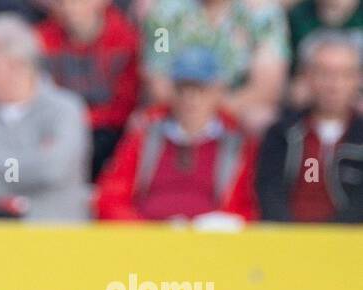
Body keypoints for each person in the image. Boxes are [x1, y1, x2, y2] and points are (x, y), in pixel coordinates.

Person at [0, 13, 91, 220]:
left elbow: (52, 169)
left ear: (15, 64)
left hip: (54, 241)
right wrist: (29, 173)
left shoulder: (65, 109)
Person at [96, 46, 258, 221]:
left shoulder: (236, 145)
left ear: (216, 92)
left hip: (210, 242)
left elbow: (246, 205)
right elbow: (111, 197)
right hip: (148, 238)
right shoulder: (145, 137)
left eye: (200, 89)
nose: (191, 98)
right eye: (182, 89)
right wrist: (143, 231)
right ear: (172, 91)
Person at [257, 31, 363, 223]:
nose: (334, 84)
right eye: (325, 73)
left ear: (358, 79)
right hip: (286, 242)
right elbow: (269, 192)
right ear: (307, 76)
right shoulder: (281, 133)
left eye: (345, 74)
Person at [143, 0, 289, 134]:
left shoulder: (263, 13)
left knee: (260, 119)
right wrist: (194, 106)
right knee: (143, 121)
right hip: (180, 103)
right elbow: (159, 84)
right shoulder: (163, 12)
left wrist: (212, 109)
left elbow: (267, 88)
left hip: (235, 107)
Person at [37, 0, 140, 177]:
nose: (70, 8)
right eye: (63, 3)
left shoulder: (126, 38)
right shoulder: (41, 39)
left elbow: (126, 103)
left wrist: (81, 120)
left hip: (106, 130)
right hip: (57, 126)